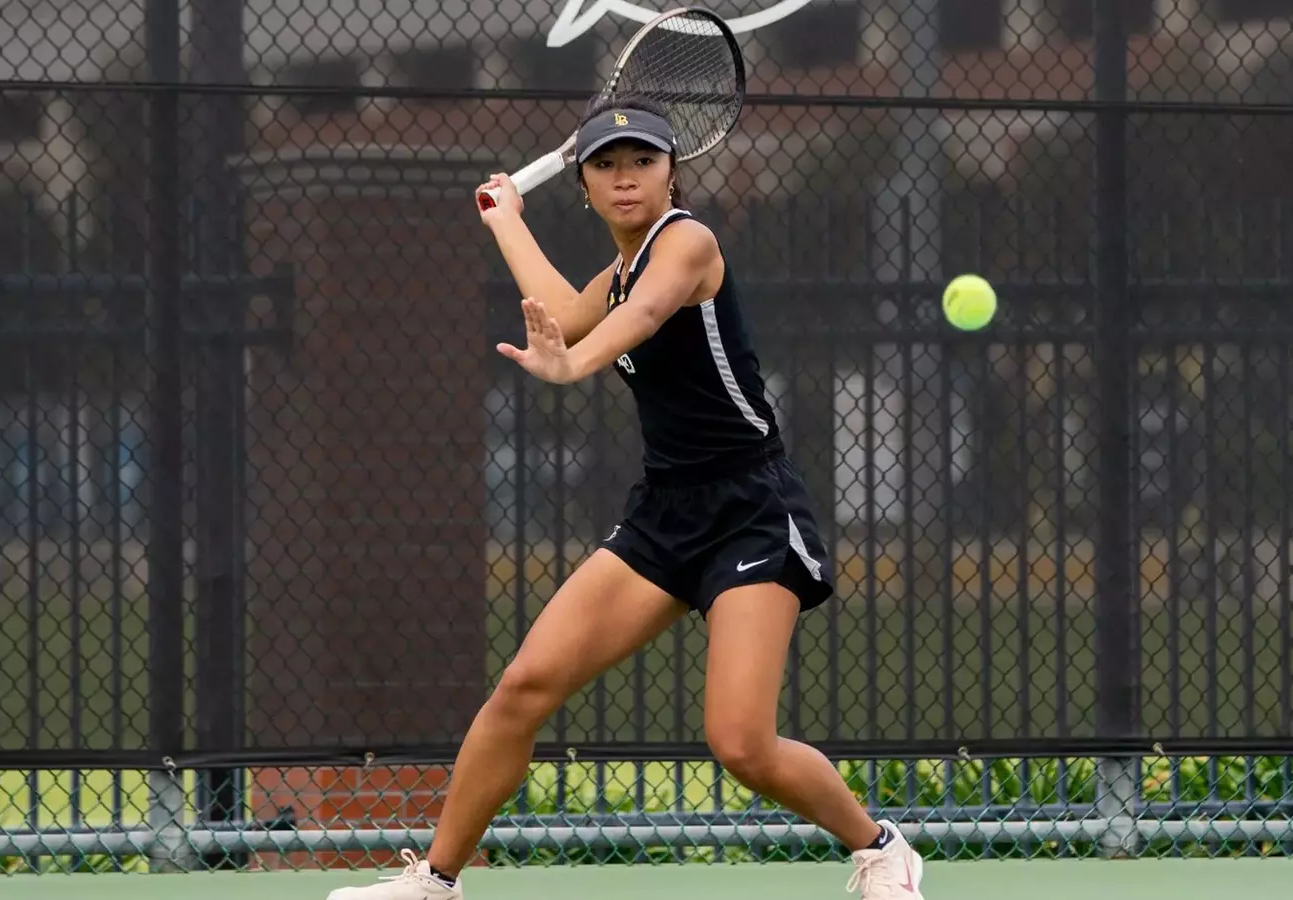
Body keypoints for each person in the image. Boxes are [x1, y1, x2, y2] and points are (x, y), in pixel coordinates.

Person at [326, 94, 925, 900]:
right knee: (523, 687)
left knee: (741, 743)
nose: (626, 177)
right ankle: (436, 880)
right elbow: (567, 314)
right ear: (584, 185)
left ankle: (881, 847)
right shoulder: (617, 272)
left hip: (751, 510)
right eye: (606, 166)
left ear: (672, 173)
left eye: (643, 160)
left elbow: (639, 316)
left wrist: (573, 366)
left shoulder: (687, 243)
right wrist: (507, 221)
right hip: (664, 512)